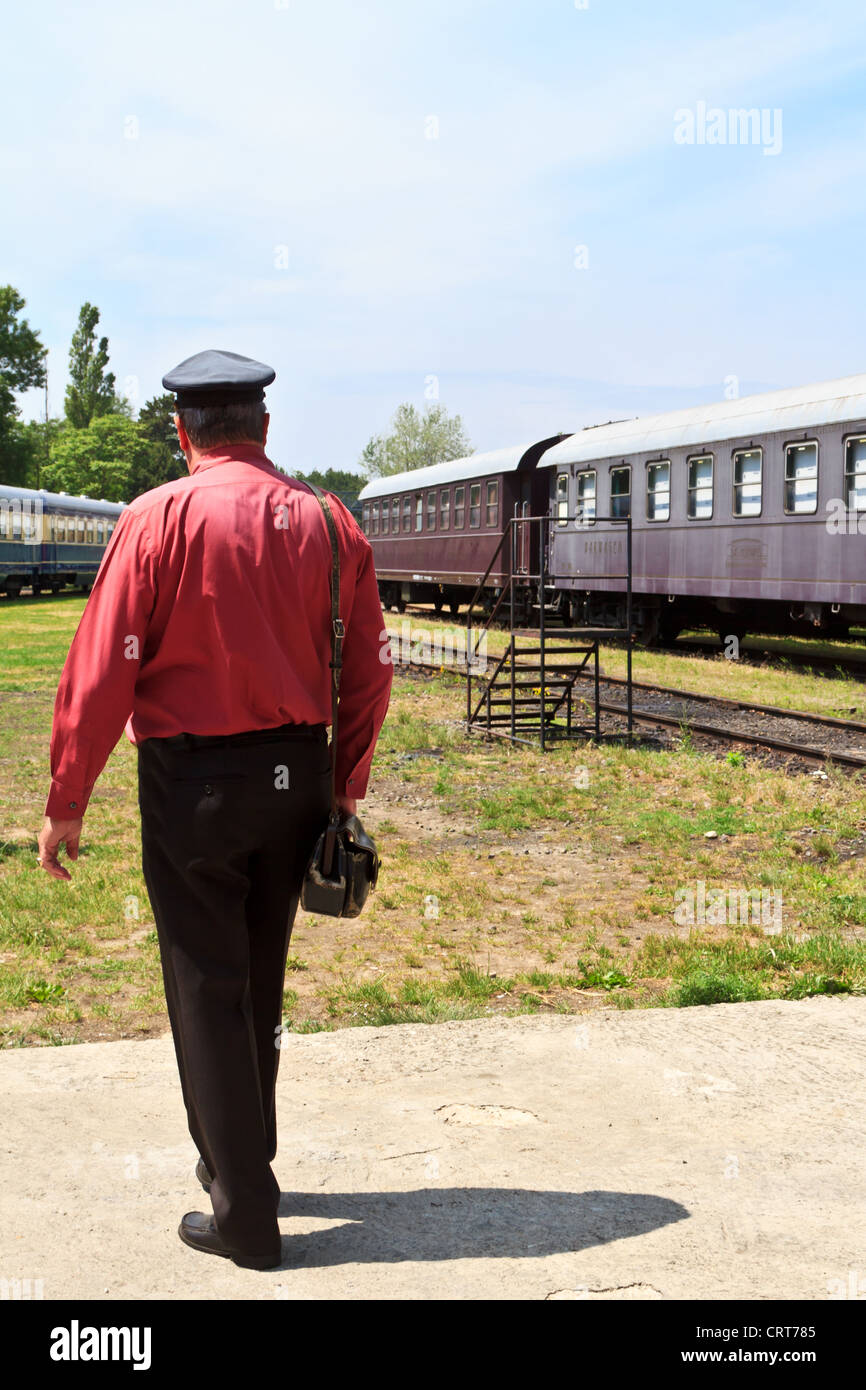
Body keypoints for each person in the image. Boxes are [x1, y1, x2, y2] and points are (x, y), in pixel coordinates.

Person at [37, 349, 393, 1269]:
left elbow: (104, 662)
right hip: (295, 781)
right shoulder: (328, 521)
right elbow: (368, 673)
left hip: (193, 785)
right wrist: (346, 783)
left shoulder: (156, 518)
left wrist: (68, 797)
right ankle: (244, 1165)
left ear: (182, 431)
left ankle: (242, 1212)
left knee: (205, 987)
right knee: (259, 984)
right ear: (265, 428)